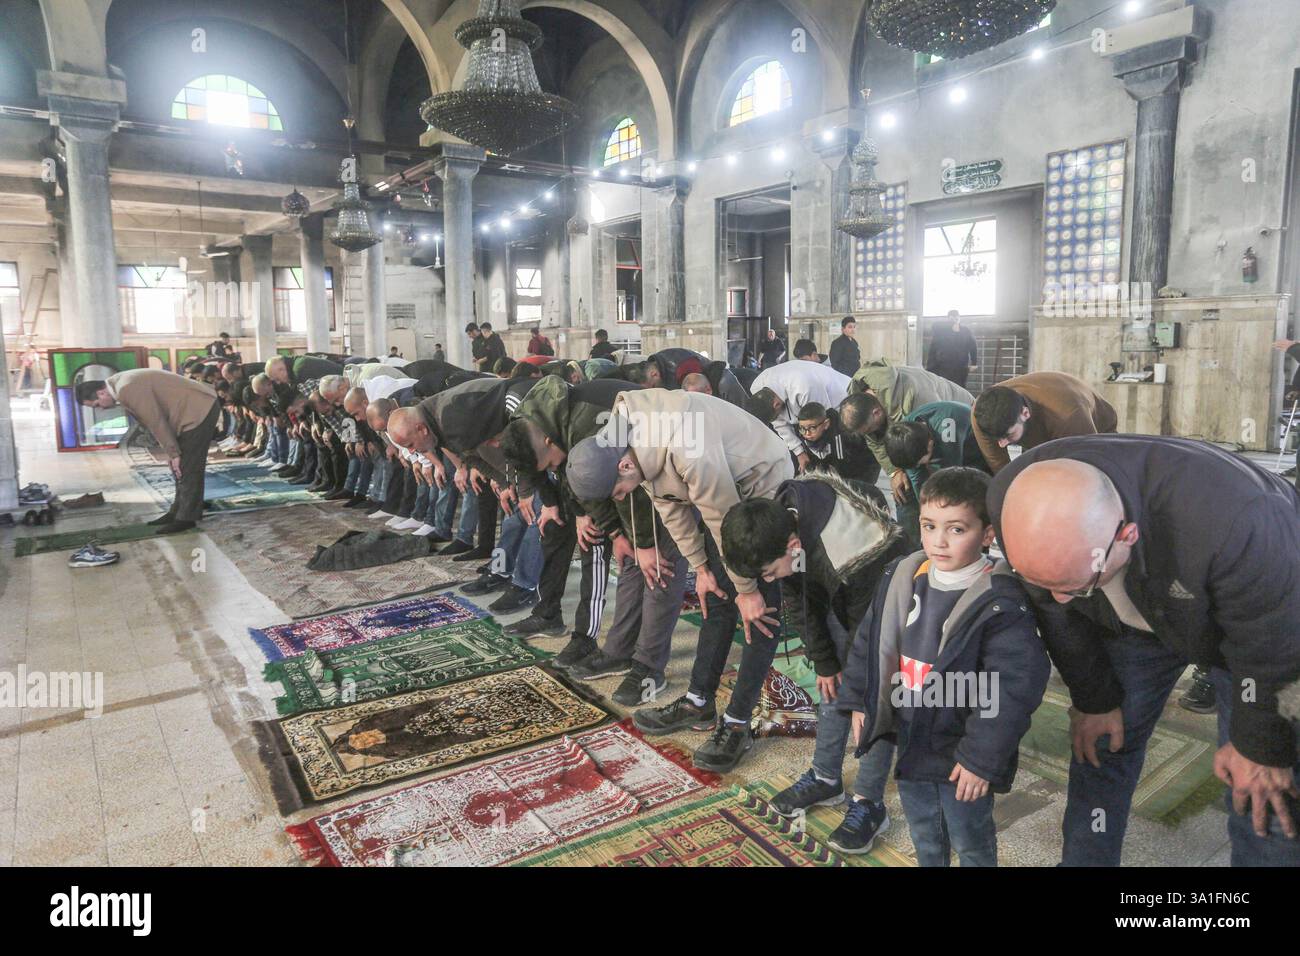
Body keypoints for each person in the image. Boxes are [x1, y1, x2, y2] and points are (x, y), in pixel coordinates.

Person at [989, 435, 1300, 866]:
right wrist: (1094, 698)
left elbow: (1276, 641)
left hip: (1249, 638)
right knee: (1101, 743)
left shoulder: (1240, 520)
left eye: (1075, 587)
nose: (1060, 601)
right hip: (1137, 618)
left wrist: (1260, 743)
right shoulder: (1015, 497)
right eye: (1048, 586)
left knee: (1263, 786)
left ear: (1126, 534)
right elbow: (1055, 611)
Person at [565, 388, 794, 772]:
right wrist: (702, 570)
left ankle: (738, 724)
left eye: (618, 492)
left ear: (623, 467)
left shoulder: (688, 449)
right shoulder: (634, 445)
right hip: (722, 494)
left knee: (759, 612)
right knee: (716, 595)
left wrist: (750, 590)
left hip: (762, 485)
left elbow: (724, 522)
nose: (622, 497)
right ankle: (699, 703)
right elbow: (672, 512)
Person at [843, 467, 1050, 867]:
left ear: (987, 534)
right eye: (929, 525)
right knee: (925, 833)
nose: (939, 540)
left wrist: (980, 759)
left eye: (956, 529)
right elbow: (871, 642)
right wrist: (861, 698)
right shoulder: (904, 576)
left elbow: (1010, 688)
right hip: (912, 738)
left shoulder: (1000, 601)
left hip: (961, 752)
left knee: (970, 839)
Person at [720, 472, 910, 853]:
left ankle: (869, 803)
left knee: (877, 705)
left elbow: (870, 636)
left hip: (888, 605)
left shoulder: (854, 551)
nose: (769, 580)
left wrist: (862, 695)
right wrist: (824, 661)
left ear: (793, 545)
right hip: (841, 593)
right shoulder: (782, 523)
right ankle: (826, 777)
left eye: (769, 572)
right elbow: (796, 595)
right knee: (831, 683)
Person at [76, 370, 221, 534]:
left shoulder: (126, 388)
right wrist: (171, 452)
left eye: (96, 405)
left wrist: (173, 453)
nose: (100, 409)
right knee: (179, 467)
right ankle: (177, 510)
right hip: (186, 410)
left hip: (198, 409)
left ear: (101, 392)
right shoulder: (118, 385)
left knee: (187, 466)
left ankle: (186, 518)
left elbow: (155, 421)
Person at [842, 357, 974, 482]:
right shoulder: (860, 407)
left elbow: (936, 446)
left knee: (954, 474)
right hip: (933, 426)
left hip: (960, 417)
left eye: (870, 429)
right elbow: (875, 441)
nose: (869, 434)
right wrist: (895, 472)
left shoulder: (917, 399)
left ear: (876, 413)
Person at [970, 370, 1117, 474]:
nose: (1002, 444)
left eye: (1007, 436)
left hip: (1097, 425)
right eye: (997, 439)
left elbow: (1087, 468)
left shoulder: (1068, 416)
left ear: (1025, 413)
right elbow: (999, 466)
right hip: (1038, 423)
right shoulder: (981, 413)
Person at [883, 400, 987, 545]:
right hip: (942, 455)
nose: (920, 466)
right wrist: (924, 510)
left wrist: (938, 515)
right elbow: (916, 478)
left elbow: (950, 480)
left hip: (974, 455)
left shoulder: (947, 431)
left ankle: (968, 544)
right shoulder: (905, 433)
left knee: (959, 499)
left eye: (922, 461)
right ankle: (910, 549)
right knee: (904, 488)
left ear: (930, 444)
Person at [748, 359, 852, 472]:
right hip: (809, 411)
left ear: (776, 404)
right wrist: (799, 453)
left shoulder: (804, 388)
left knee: (841, 460)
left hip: (842, 403)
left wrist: (826, 462)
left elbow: (824, 423)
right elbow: (780, 424)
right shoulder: (757, 388)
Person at [795, 402, 879, 485]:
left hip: (860, 474)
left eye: (812, 428)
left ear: (826, 424)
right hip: (834, 479)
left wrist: (861, 486)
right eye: (802, 428)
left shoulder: (848, 435)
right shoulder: (804, 437)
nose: (807, 433)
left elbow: (871, 459)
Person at [925, 310, 978, 389]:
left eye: (957, 318)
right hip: (943, 367)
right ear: (948, 319)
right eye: (952, 318)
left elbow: (973, 346)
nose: (955, 320)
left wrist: (974, 363)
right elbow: (933, 348)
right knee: (944, 388)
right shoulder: (941, 331)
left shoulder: (965, 331)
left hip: (960, 367)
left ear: (959, 319)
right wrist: (930, 368)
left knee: (959, 388)